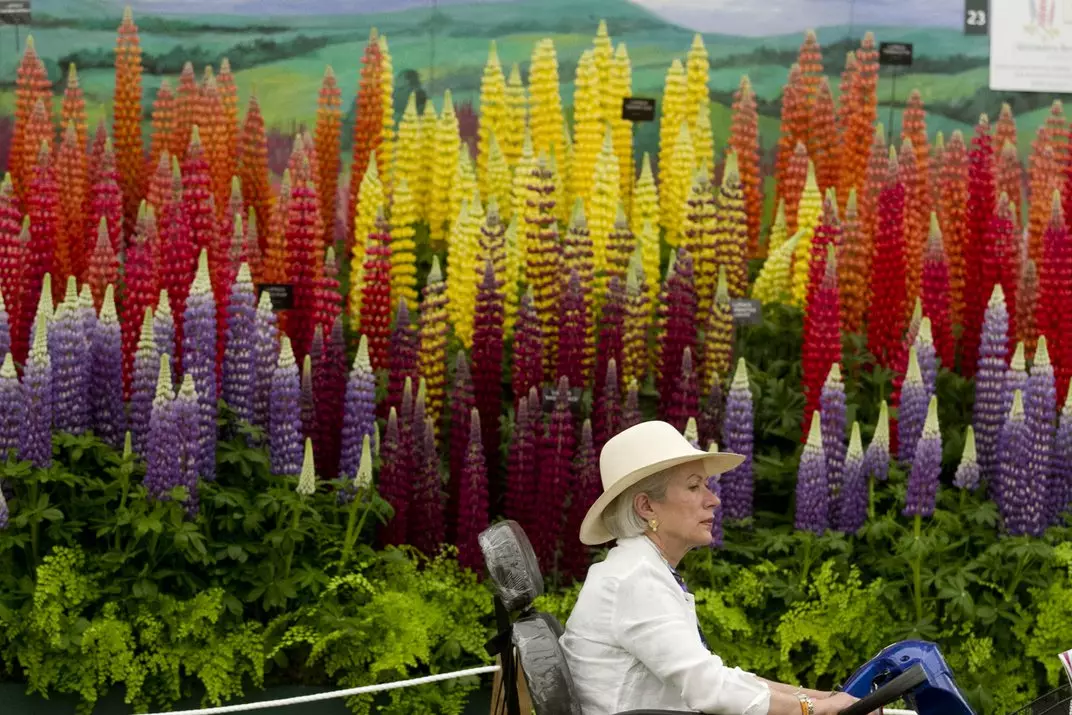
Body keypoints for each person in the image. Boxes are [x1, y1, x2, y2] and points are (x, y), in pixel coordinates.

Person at [559, 420, 869, 715]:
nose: (714, 500)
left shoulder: (641, 569)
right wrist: (812, 709)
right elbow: (708, 688)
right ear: (646, 507)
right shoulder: (635, 581)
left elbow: (713, 675)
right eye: (694, 487)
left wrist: (818, 698)